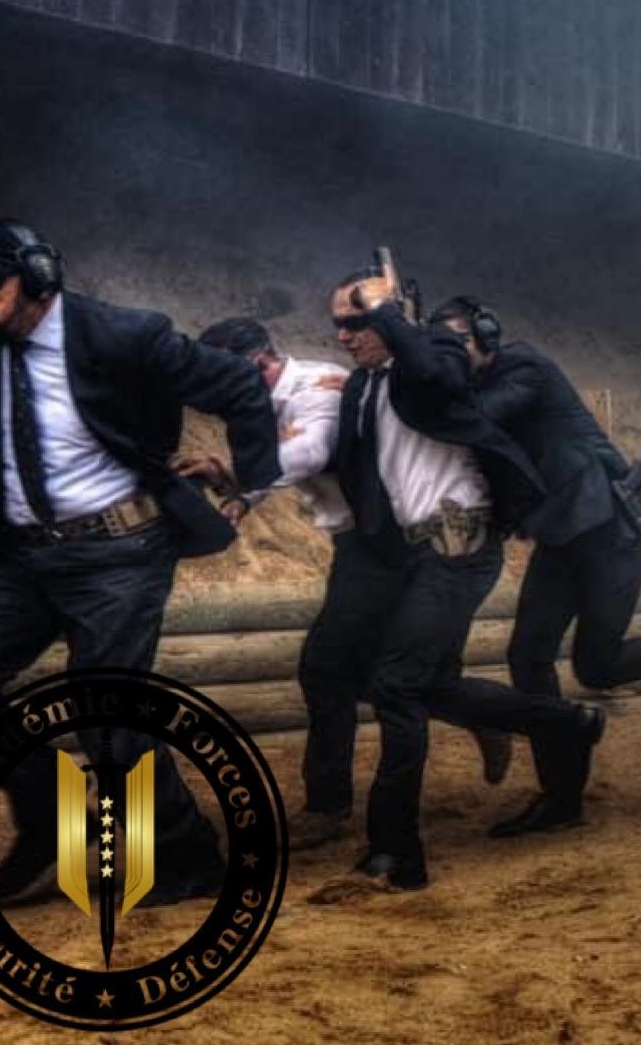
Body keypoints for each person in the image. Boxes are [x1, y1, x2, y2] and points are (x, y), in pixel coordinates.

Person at [0, 219, 282, 905]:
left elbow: (238, 386)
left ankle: (185, 860)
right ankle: (56, 817)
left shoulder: (126, 334)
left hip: (123, 553)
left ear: (40, 276)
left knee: (106, 713)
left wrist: (252, 483)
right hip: (24, 557)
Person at [313, 269, 602, 892]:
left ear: (396, 313)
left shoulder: (440, 350)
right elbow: (354, 467)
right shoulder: (362, 386)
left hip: (460, 547)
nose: (344, 333)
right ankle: (566, 724)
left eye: (358, 319)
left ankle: (397, 855)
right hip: (406, 557)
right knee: (430, 687)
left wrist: (393, 316)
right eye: (339, 321)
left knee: (396, 687)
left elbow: (440, 378)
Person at [184, 317, 516, 853]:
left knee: (341, 672)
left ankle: (331, 806)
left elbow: (310, 454)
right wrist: (242, 494)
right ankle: (480, 718)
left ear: (256, 365)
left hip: (386, 545)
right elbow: (284, 467)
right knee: (365, 676)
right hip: (367, 545)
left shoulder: (319, 389)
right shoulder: (263, 403)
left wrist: (238, 472)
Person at [426, 296, 641, 837]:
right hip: (565, 538)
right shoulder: (483, 382)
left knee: (597, 667)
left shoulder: (521, 367)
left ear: (486, 336)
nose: (451, 358)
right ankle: (561, 797)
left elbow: (474, 419)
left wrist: (420, 371)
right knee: (528, 657)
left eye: (457, 345)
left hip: (614, 534)